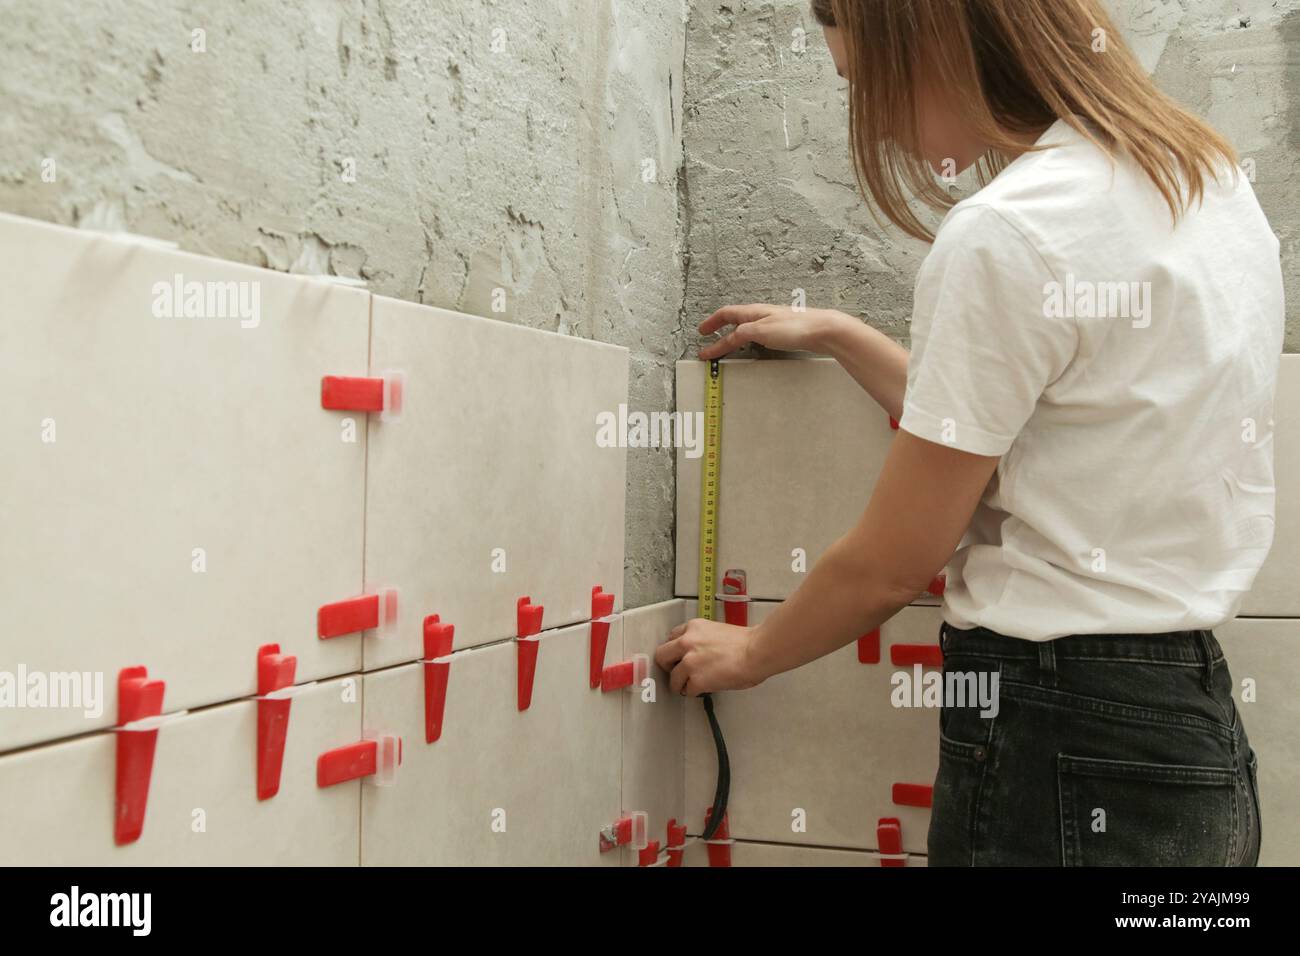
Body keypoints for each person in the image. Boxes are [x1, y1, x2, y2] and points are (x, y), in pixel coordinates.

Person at [655, 0, 1282, 866]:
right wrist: (845, 337)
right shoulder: (1205, 183)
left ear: (931, 44)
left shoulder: (1008, 231)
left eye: (859, 82)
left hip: (1059, 737)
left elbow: (895, 560)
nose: (870, 123)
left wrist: (754, 650)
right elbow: (1039, 431)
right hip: (1189, 733)